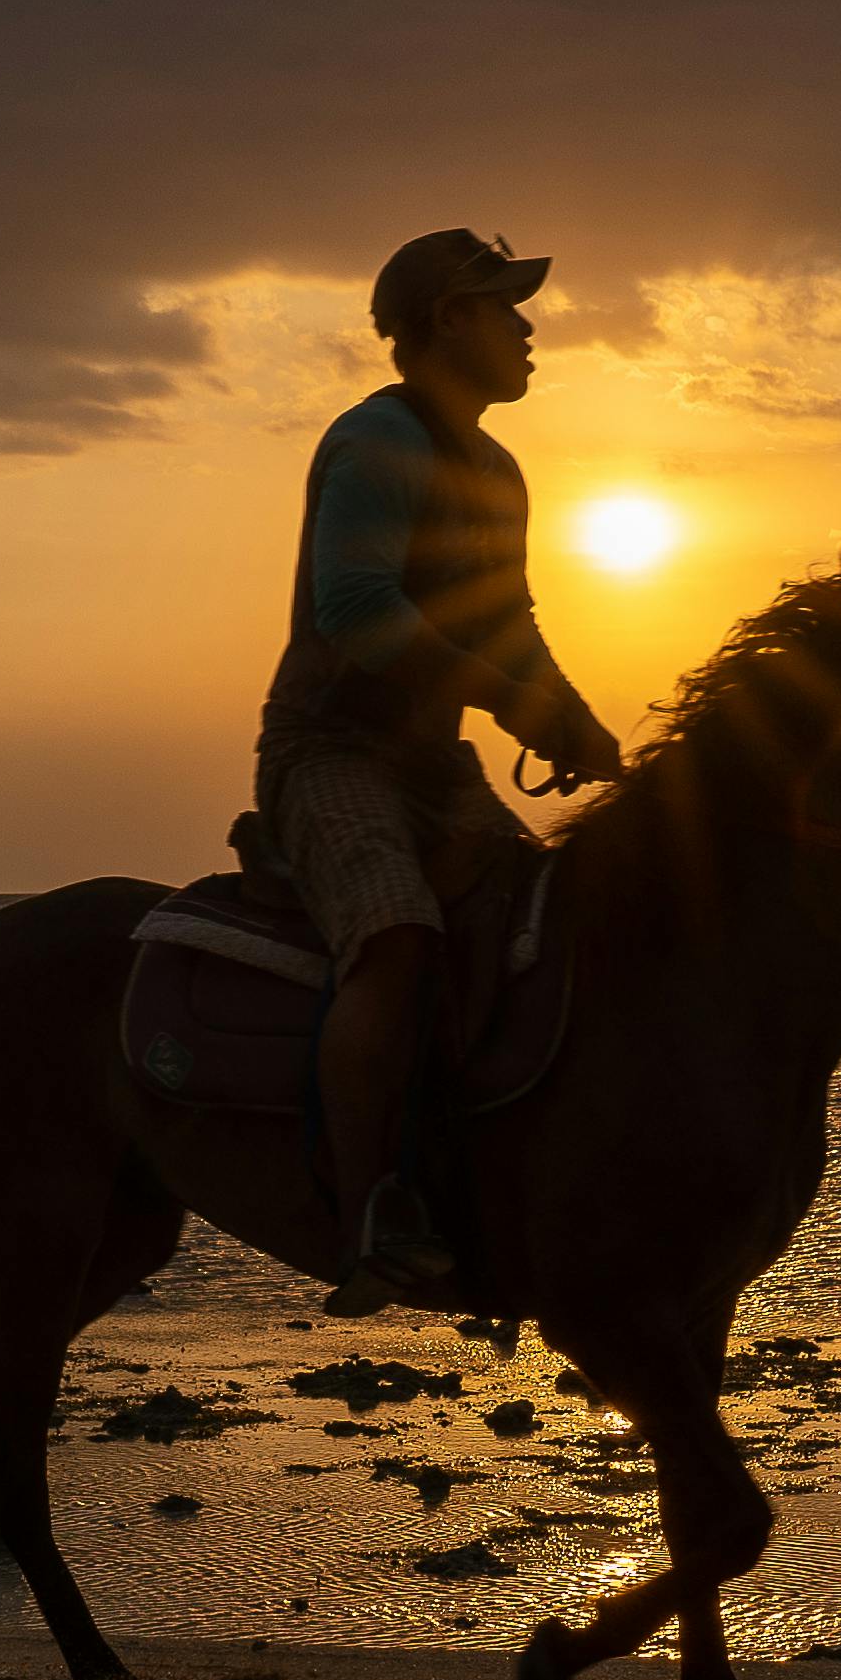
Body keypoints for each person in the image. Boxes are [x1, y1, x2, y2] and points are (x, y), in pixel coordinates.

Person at [255, 226, 629, 1306]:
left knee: (542, 927)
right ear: (445, 322)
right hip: (329, 754)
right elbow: (358, 609)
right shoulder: (374, 443)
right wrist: (512, 697)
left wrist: (574, 721)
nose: (526, 329)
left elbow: (507, 623)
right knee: (402, 934)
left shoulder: (500, 471)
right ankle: (371, 1208)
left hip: (432, 762)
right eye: (503, 307)